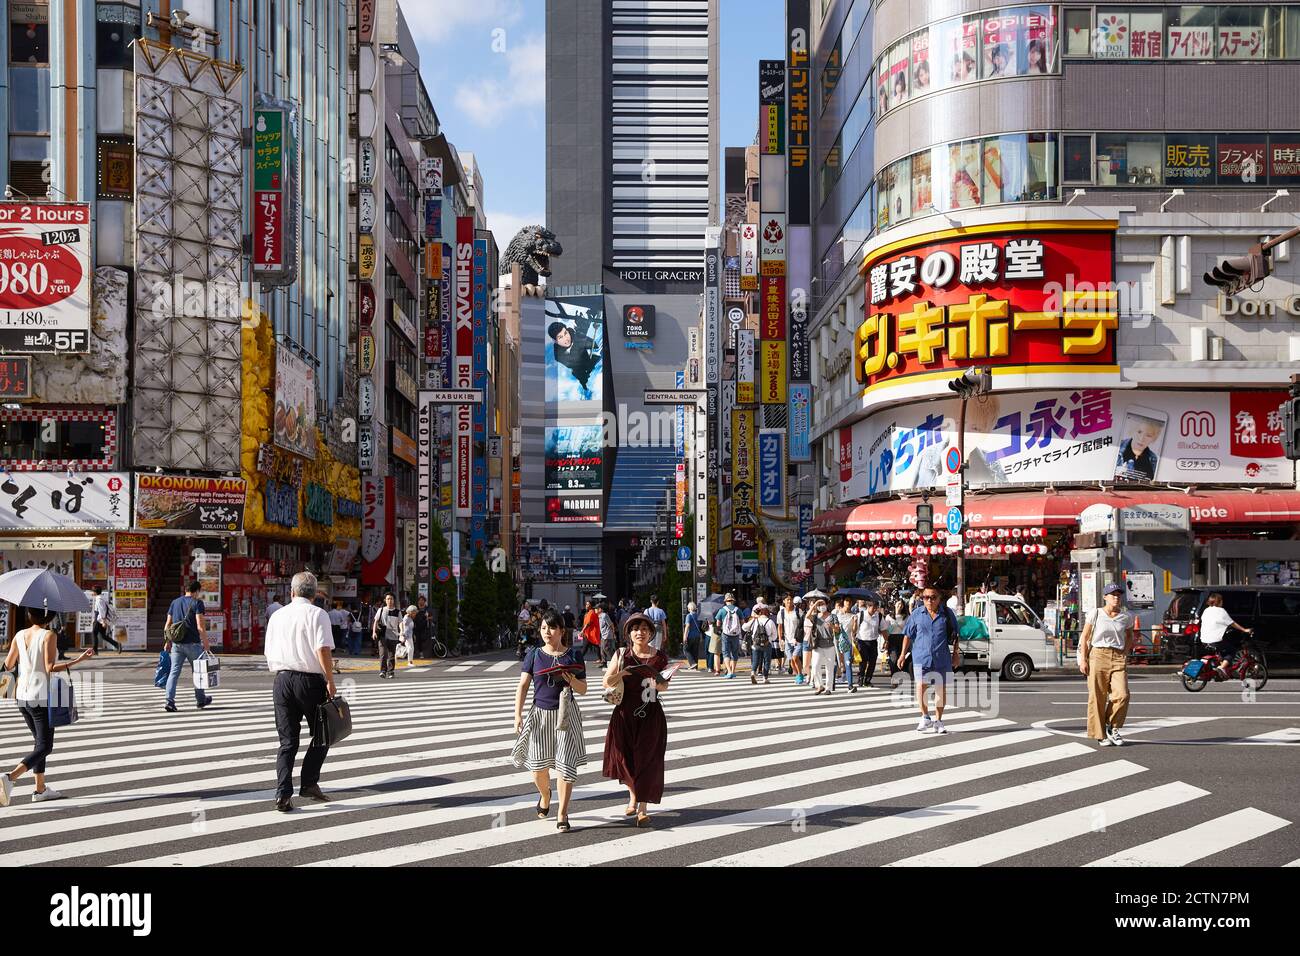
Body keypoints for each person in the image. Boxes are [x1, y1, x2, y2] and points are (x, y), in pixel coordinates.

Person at [0, 608, 95, 806]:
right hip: (40, 696)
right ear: (50, 618)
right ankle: (10, 777)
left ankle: (40, 789)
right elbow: (50, 667)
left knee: (39, 743)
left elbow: (8, 665)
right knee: (45, 746)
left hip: (21, 696)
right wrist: (79, 660)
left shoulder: (19, 634)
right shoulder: (48, 635)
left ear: (30, 615)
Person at [264, 571, 337, 812]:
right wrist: (330, 681)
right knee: (323, 733)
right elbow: (323, 650)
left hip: (282, 680)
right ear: (315, 594)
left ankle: (283, 794)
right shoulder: (318, 614)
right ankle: (309, 783)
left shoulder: (277, 615)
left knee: (287, 741)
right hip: (310, 681)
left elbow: (268, 651)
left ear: (292, 592)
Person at [512, 608, 588, 832]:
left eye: (552, 628)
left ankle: (562, 813)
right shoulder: (534, 654)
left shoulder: (574, 656)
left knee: (565, 767)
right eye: (544, 628)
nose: (547, 632)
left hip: (565, 716)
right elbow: (523, 685)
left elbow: (583, 689)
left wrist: (572, 680)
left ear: (562, 631)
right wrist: (517, 714)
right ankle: (545, 795)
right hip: (540, 715)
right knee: (538, 768)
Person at [602, 612, 671, 827]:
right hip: (624, 714)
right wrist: (623, 673)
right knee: (625, 759)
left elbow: (665, 687)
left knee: (647, 761)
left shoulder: (659, 657)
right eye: (635, 629)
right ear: (629, 633)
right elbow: (606, 682)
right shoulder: (623, 654)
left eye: (644, 629)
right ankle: (633, 795)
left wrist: (656, 681)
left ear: (650, 633)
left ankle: (642, 808)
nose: (639, 632)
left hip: (650, 715)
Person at [1079, 583, 1138, 747]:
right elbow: (1084, 637)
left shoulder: (1126, 617)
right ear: (1105, 597)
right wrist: (1083, 659)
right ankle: (1100, 734)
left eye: (1119, 594)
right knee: (1097, 697)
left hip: (1117, 656)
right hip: (1097, 655)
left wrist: (1125, 653)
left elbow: (1130, 636)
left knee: (1122, 694)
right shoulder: (1096, 613)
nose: (1116, 597)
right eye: (1112, 594)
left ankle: (1112, 726)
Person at [900, 587, 962, 734]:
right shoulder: (916, 614)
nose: (929, 600)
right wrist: (903, 654)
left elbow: (956, 634)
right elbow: (907, 635)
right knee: (921, 686)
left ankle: (939, 721)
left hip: (942, 657)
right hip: (921, 657)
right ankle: (925, 716)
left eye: (933, 597)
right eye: (926, 597)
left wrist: (956, 654)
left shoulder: (947, 614)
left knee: (941, 689)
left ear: (939, 598)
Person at [163, 580, 213, 713]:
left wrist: (167, 641)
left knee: (174, 672)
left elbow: (168, 624)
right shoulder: (197, 603)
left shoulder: (175, 602)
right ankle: (200, 699)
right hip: (193, 644)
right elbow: (200, 626)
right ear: (196, 591)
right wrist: (206, 643)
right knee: (198, 673)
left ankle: (169, 701)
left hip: (177, 644)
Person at [1197, 592, 1252, 678]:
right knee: (1232, 650)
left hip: (1204, 640)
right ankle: (1222, 668)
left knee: (1222, 649)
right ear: (1218, 601)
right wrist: (1244, 630)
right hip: (1215, 640)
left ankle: (1219, 672)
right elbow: (1232, 623)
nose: (1222, 602)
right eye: (1221, 600)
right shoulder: (1221, 611)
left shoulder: (1206, 610)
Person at [855, 598, 890, 689]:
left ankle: (867, 680)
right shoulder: (860, 615)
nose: (875, 609)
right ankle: (861, 678)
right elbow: (854, 630)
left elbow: (883, 630)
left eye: (876, 607)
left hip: (873, 641)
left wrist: (886, 641)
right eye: (873, 607)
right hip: (862, 641)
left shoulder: (878, 616)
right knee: (863, 661)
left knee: (872, 662)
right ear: (868, 606)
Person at [807, 600, 839, 695]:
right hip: (818, 645)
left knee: (829, 667)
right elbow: (807, 616)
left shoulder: (833, 616)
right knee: (815, 666)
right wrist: (815, 604)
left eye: (823, 604)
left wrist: (832, 626)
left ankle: (828, 688)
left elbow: (837, 629)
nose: (822, 606)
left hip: (830, 644)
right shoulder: (816, 617)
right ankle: (820, 685)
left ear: (827, 605)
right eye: (820, 605)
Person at [372, 592, 402, 679]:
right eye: (388, 599)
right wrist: (374, 632)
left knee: (391, 654)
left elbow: (400, 623)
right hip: (382, 634)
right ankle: (383, 671)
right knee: (383, 654)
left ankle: (391, 671)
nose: (390, 601)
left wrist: (402, 631)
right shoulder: (381, 610)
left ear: (394, 600)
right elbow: (376, 621)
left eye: (391, 599)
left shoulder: (397, 612)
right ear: (385, 600)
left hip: (393, 634)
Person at [746, 603, 777, 685]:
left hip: (756, 643)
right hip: (767, 644)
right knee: (766, 661)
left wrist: (752, 619)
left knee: (755, 660)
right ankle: (765, 678)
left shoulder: (755, 620)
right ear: (767, 613)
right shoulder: (770, 622)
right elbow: (775, 636)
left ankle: (753, 673)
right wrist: (770, 639)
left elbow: (744, 627)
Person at [714, 593, 743, 679]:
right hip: (736, 634)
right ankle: (733, 671)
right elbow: (742, 622)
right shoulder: (738, 610)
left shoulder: (722, 610)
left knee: (726, 653)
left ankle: (729, 672)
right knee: (734, 653)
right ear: (733, 601)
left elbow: (718, 623)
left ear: (726, 601)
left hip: (725, 634)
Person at [834, 597, 859, 693]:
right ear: (843, 602)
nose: (848, 602)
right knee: (836, 663)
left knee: (848, 663)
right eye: (846, 600)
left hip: (847, 643)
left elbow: (854, 632)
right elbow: (833, 627)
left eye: (850, 601)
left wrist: (855, 622)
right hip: (837, 641)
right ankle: (831, 684)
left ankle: (850, 685)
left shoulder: (853, 615)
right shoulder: (836, 613)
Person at [778, 595, 804, 683]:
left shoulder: (798, 611)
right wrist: (780, 638)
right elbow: (780, 626)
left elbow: (802, 625)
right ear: (784, 601)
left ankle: (800, 673)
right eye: (787, 600)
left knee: (795, 657)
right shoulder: (781, 612)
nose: (789, 601)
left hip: (797, 639)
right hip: (787, 639)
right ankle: (797, 674)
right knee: (791, 660)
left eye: (791, 600)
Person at [90, 586, 121, 653]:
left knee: (94, 633)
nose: (92, 593)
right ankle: (116, 644)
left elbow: (102, 611)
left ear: (95, 592)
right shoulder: (101, 598)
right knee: (103, 636)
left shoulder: (99, 599)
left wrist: (103, 621)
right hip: (101, 619)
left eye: (92, 591)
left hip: (99, 620)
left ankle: (95, 650)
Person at [682, 601, 702, 670]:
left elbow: (687, 626)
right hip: (698, 635)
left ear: (689, 608)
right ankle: (696, 667)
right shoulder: (698, 615)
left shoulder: (689, 616)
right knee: (695, 651)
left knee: (685, 650)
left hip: (690, 635)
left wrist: (684, 636)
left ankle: (692, 663)